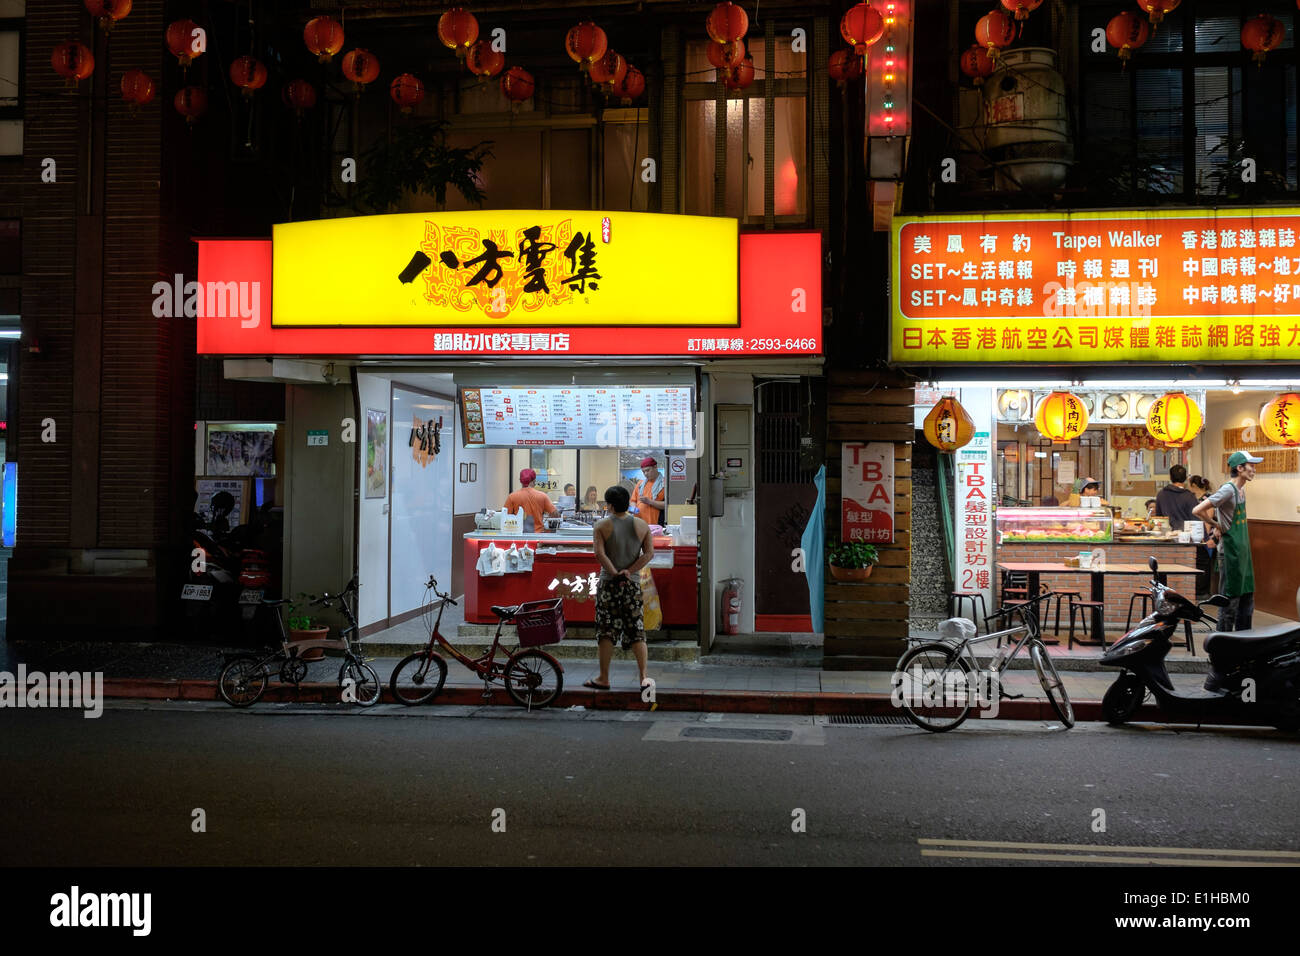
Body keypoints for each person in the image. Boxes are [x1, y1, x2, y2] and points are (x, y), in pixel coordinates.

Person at [585, 486, 654, 691]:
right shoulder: (642, 525)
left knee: (606, 631)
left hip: (608, 584)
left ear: (610, 505)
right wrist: (628, 571)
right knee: (636, 630)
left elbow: (599, 553)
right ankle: (643, 677)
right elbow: (649, 553)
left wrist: (615, 572)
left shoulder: (601, 525)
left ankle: (604, 678)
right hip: (632, 585)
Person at [1192, 451, 1262, 631]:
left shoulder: (1241, 489)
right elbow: (1197, 510)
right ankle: (1221, 647)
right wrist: (1217, 524)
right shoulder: (1227, 490)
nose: (1254, 469)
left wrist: (1220, 524)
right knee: (1229, 603)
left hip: (1243, 553)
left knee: (1247, 602)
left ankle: (1244, 645)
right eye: (1251, 465)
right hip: (1230, 553)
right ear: (1239, 468)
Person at [502, 468, 558, 533]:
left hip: (519, 535)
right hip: (538, 535)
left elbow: (505, 516)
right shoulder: (542, 496)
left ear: (520, 481)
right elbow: (555, 514)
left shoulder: (512, 497)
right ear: (534, 480)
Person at [1188, 475, 1216, 600]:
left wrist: (1204, 537)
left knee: (1204, 563)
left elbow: (1208, 520)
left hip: (1206, 536)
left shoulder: (1207, 499)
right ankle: (1197, 590)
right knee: (1197, 562)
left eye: (1189, 485)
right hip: (1195, 534)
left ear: (1194, 486)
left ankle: (1203, 592)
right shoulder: (1193, 498)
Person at [1154, 464, 1198, 530]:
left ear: (1170, 477)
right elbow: (1195, 520)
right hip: (1185, 536)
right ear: (1185, 478)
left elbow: (1158, 518)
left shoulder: (1161, 494)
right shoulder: (1189, 496)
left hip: (1166, 534)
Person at [631, 456, 666, 526]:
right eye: (643, 472)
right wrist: (633, 509)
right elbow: (633, 501)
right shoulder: (640, 484)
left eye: (648, 470)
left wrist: (650, 502)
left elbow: (667, 505)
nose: (645, 474)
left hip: (655, 524)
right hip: (638, 523)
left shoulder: (664, 484)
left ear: (655, 467)